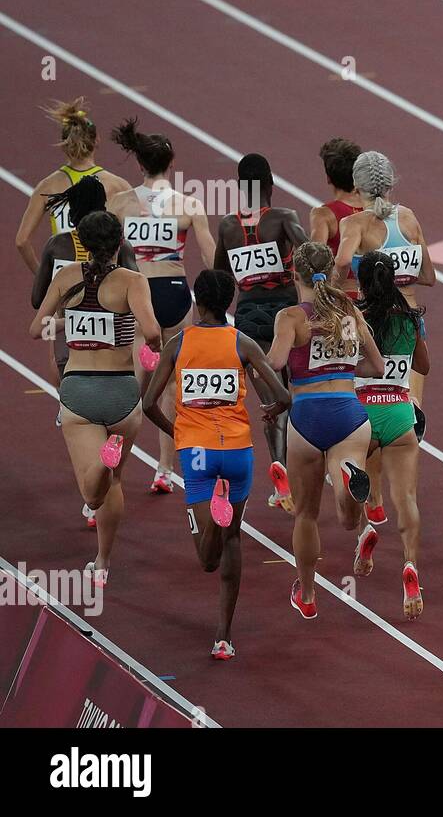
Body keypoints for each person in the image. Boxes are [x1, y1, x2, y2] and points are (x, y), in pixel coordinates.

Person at [142, 269, 290, 659]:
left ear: (199, 303)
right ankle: (224, 636)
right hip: (238, 452)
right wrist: (272, 410)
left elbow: (147, 404)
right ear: (227, 304)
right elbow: (282, 395)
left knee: (208, 560)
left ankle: (216, 514)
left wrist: (177, 432)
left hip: (197, 453)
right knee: (235, 540)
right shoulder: (242, 343)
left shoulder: (178, 343)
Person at [29, 211, 161, 585]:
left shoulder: (66, 277)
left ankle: (104, 463)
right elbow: (151, 330)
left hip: (79, 391)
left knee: (93, 492)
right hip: (121, 392)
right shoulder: (132, 281)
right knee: (115, 484)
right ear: (120, 243)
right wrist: (150, 345)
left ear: (83, 246)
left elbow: (35, 328)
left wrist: (64, 322)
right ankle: (103, 562)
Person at [267, 242, 383, 619]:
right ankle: (350, 483)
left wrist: (272, 391)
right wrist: (346, 371)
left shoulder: (291, 317)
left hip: (306, 416)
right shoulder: (349, 311)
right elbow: (377, 367)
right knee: (348, 520)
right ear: (331, 271)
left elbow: (274, 363)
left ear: (293, 275)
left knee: (306, 514)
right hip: (349, 413)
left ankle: (309, 592)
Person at [108, 118, 215, 494]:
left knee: (133, 383)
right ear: (171, 164)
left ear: (139, 164)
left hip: (137, 294)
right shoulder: (189, 204)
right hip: (174, 292)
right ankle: (165, 471)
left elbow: (105, 250)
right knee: (171, 384)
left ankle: (114, 459)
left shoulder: (120, 204)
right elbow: (210, 255)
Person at [33, 177, 136, 530]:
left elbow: (36, 302)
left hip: (68, 340)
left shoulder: (57, 243)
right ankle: (98, 495)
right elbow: (135, 292)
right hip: (114, 351)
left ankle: (91, 491)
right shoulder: (118, 246)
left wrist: (62, 313)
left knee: (76, 408)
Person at [214, 153, 309, 510]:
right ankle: (311, 461)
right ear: (271, 185)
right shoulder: (284, 218)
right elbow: (308, 250)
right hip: (287, 313)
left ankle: (280, 473)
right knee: (301, 388)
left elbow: (219, 279)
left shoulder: (226, 227)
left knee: (272, 400)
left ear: (241, 188)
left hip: (249, 316)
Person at [334, 151, 435, 449]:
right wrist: (400, 273)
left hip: (371, 324)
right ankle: (405, 493)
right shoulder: (408, 218)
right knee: (407, 412)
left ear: (355, 184)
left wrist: (333, 287)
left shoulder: (354, 224)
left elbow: (340, 262)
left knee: (365, 415)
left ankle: (372, 493)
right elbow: (428, 275)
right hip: (410, 323)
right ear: (391, 183)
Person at [353, 251, 430, 620]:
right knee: (407, 498)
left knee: (346, 480)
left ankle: (365, 529)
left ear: (362, 283)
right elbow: (424, 366)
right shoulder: (410, 320)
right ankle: (410, 566)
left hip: (361, 414)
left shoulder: (355, 317)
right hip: (400, 412)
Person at [15, 98, 130, 274]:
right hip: (103, 275)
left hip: (63, 276)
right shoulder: (118, 185)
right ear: (97, 140)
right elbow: (131, 239)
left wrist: (42, 277)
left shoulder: (47, 186)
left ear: (64, 145)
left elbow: (22, 241)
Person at [308, 138, 363, 297]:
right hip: (376, 299)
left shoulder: (323, 215)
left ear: (328, 178)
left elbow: (316, 262)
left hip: (342, 299)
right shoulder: (375, 209)